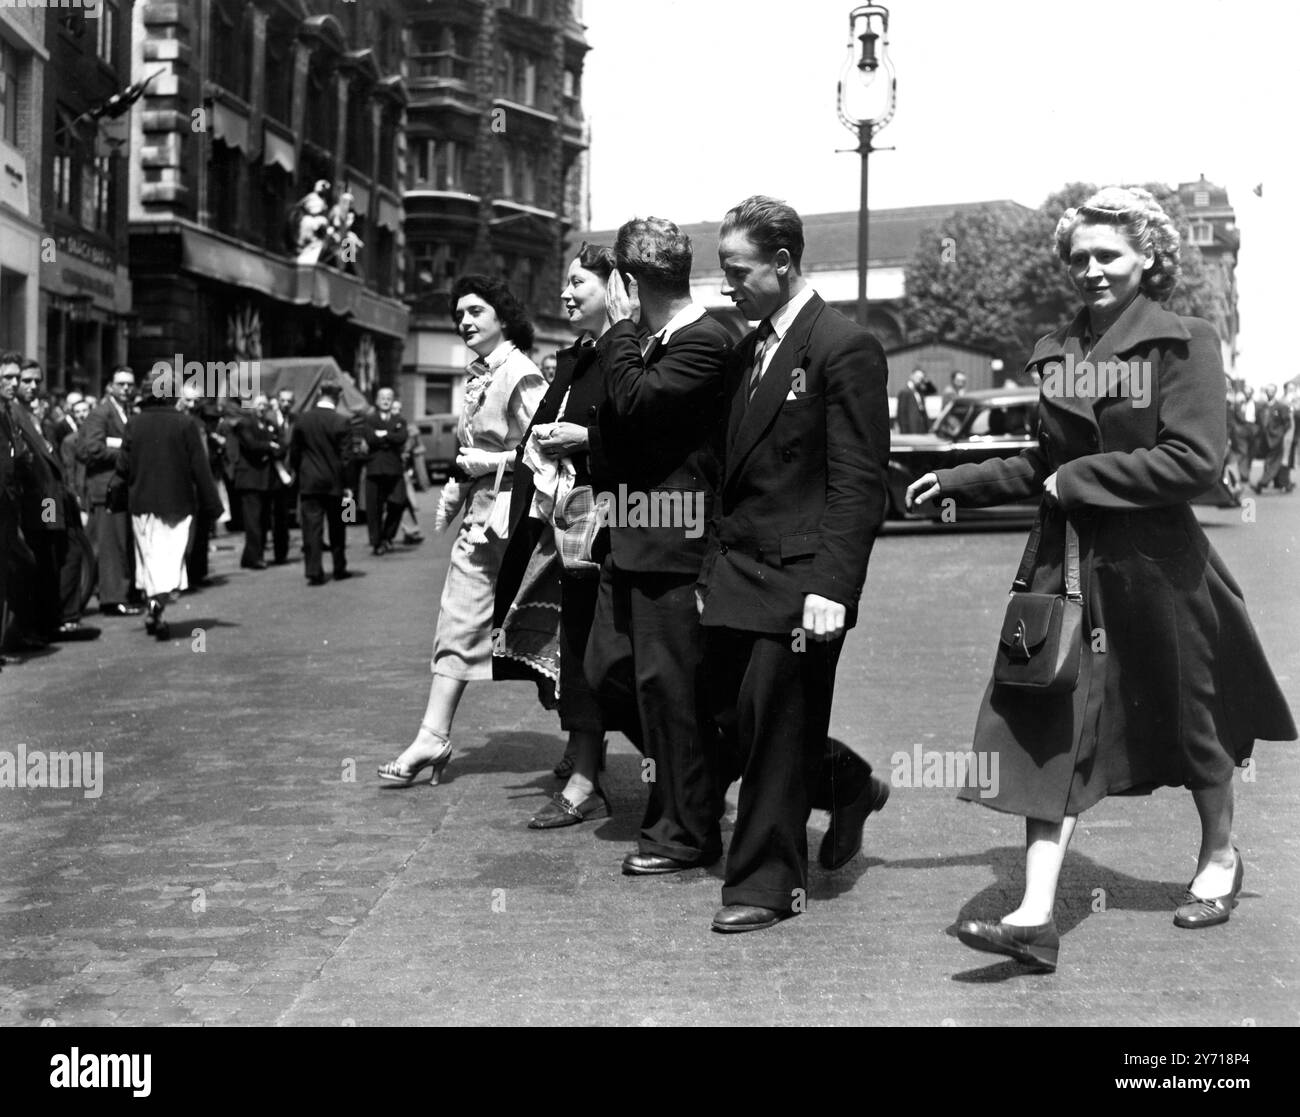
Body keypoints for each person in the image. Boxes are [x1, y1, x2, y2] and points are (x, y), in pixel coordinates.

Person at [906, 186, 1296, 972]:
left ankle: (1220, 855)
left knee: (1195, 725)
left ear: (1149, 256)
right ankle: (1034, 914)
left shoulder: (1185, 342)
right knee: (1052, 727)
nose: (1090, 268)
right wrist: (961, 481)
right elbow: (1040, 464)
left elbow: (1194, 461)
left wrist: (1077, 480)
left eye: (1108, 254)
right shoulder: (1056, 350)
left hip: (1160, 572)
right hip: (1069, 573)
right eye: (1078, 255)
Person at [699, 196, 891, 933]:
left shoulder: (844, 347)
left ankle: (765, 883)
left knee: (777, 724)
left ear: (782, 263)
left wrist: (832, 588)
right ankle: (846, 782)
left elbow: (858, 481)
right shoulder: (751, 347)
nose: (728, 286)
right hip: (738, 572)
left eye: (737, 270)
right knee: (725, 712)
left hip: (802, 577)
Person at [576, 216, 734, 874]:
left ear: (629, 282)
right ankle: (699, 781)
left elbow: (637, 407)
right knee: (606, 672)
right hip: (629, 535)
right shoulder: (650, 337)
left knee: (671, 695)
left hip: (676, 545)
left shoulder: (705, 341)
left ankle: (683, 829)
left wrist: (615, 331)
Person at [377, 276, 545, 785]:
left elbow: (549, 448)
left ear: (503, 315)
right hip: (484, 520)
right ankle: (433, 735)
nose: (465, 321)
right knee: (459, 617)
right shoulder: (482, 373)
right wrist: (461, 480)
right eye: (460, 315)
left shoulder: (519, 372)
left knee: (547, 631)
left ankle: (588, 745)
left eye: (476, 311)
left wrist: (486, 462)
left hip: (516, 526)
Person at [493, 242, 626, 826]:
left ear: (614, 287)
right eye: (565, 284)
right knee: (569, 641)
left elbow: (636, 435)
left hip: (611, 523)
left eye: (579, 283)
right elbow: (540, 428)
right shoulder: (574, 356)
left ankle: (589, 774)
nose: (567, 294)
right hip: (561, 520)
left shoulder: (628, 354)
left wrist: (584, 438)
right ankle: (583, 758)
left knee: (595, 648)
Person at [116, 366, 223, 639]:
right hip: (177, 503)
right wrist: (213, 504)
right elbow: (200, 468)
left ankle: (155, 604)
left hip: (141, 503)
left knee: (149, 558)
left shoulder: (134, 423)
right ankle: (157, 605)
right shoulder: (185, 424)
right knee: (171, 559)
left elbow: (123, 467)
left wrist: (119, 495)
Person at [11, 360, 97, 642]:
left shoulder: (36, 417)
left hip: (53, 497)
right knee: (52, 552)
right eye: (27, 381)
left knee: (66, 550)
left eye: (37, 381)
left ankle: (63, 615)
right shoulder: (14, 413)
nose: (33, 386)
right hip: (41, 501)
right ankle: (54, 619)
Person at [80, 365, 141, 616]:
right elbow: (91, 449)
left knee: (120, 542)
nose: (126, 388)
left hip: (119, 488)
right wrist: (125, 454)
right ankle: (112, 598)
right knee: (110, 546)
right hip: (105, 488)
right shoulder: (101, 413)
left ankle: (120, 592)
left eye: (129, 384)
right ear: (110, 387)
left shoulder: (126, 412)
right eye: (121, 384)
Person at [289, 379, 355, 585]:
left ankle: (313, 570)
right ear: (338, 397)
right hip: (335, 483)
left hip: (309, 482)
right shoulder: (342, 421)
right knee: (339, 526)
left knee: (311, 529)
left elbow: (295, 453)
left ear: (319, 393)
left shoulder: (302, 420)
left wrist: (300, 473)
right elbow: (347, 458)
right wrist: (348, 486)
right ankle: (339, 567)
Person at [231, 394, 280, 570]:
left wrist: (270, 445)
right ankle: (255, 557)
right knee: (253, 521)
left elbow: (277, 442)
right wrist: (269, 446)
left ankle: (250, 556)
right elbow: (251, 445)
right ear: (252, 406)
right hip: (250, 480)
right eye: (259, 404)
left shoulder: (268, 424)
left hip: (264, 479)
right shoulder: (245, 423)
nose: (262, 408)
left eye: (265, 405)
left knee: (262, 519)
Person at [360, 387, 408, 555]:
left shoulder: (399, 419)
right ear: (376, 400)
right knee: (374, 509)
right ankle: (376, 542)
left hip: (394, 469)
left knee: (399, 502)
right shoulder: (369, 419)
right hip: (375, 470)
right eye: (382, 398)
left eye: (389, 397)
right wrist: (389, 436)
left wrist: (383, 435)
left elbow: (401, 438)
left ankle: (388, 535)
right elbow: (370, 439)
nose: (386, 400)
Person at [1253, 384, 1294, 494]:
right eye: (1268, 391)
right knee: (1269, 461)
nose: (1269, 393)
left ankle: (1262, 483)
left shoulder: (1281, 407)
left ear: (1275, 392)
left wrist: (1280, 434)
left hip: (1276, 439)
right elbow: (1259, 421)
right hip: (1265, 440)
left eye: (1272, 391)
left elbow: (1287, 423)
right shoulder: (1263, 407)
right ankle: (1282, 483)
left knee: (1273, 461)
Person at [896, 368, 930, 433]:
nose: (919, 380)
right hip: (910, 429)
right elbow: (901, 414)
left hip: (921, 428)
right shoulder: (904, 392)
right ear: (911, 376)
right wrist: (904, 431)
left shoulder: (920, 392)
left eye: (921, 378)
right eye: (917, 377)